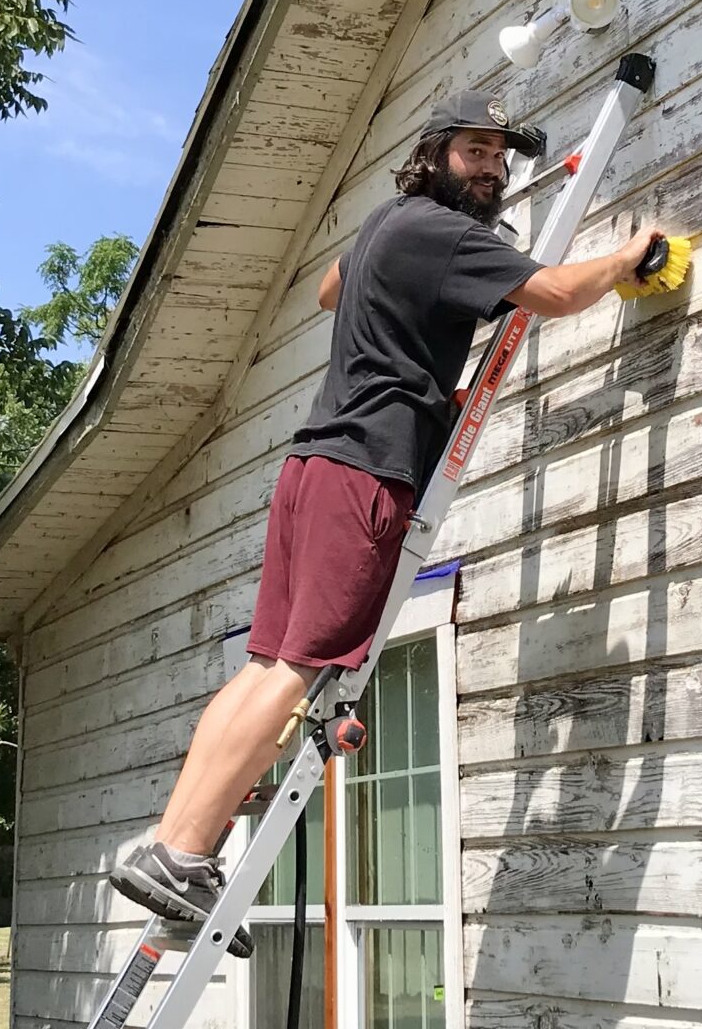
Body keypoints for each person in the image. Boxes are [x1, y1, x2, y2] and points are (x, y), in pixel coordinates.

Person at [110, 87, 661, 935]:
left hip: (314, 462)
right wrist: (629, 256)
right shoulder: (445, 234)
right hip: (366, 469)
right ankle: (185, 856)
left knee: (264, 664)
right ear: (436, 153)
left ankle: (167, 844)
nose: (491, 166)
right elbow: (551, 294)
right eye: (472, 150)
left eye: (498, 154)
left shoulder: (387, 225)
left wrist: (406, 317)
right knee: (296, 670)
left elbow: (334, 291)